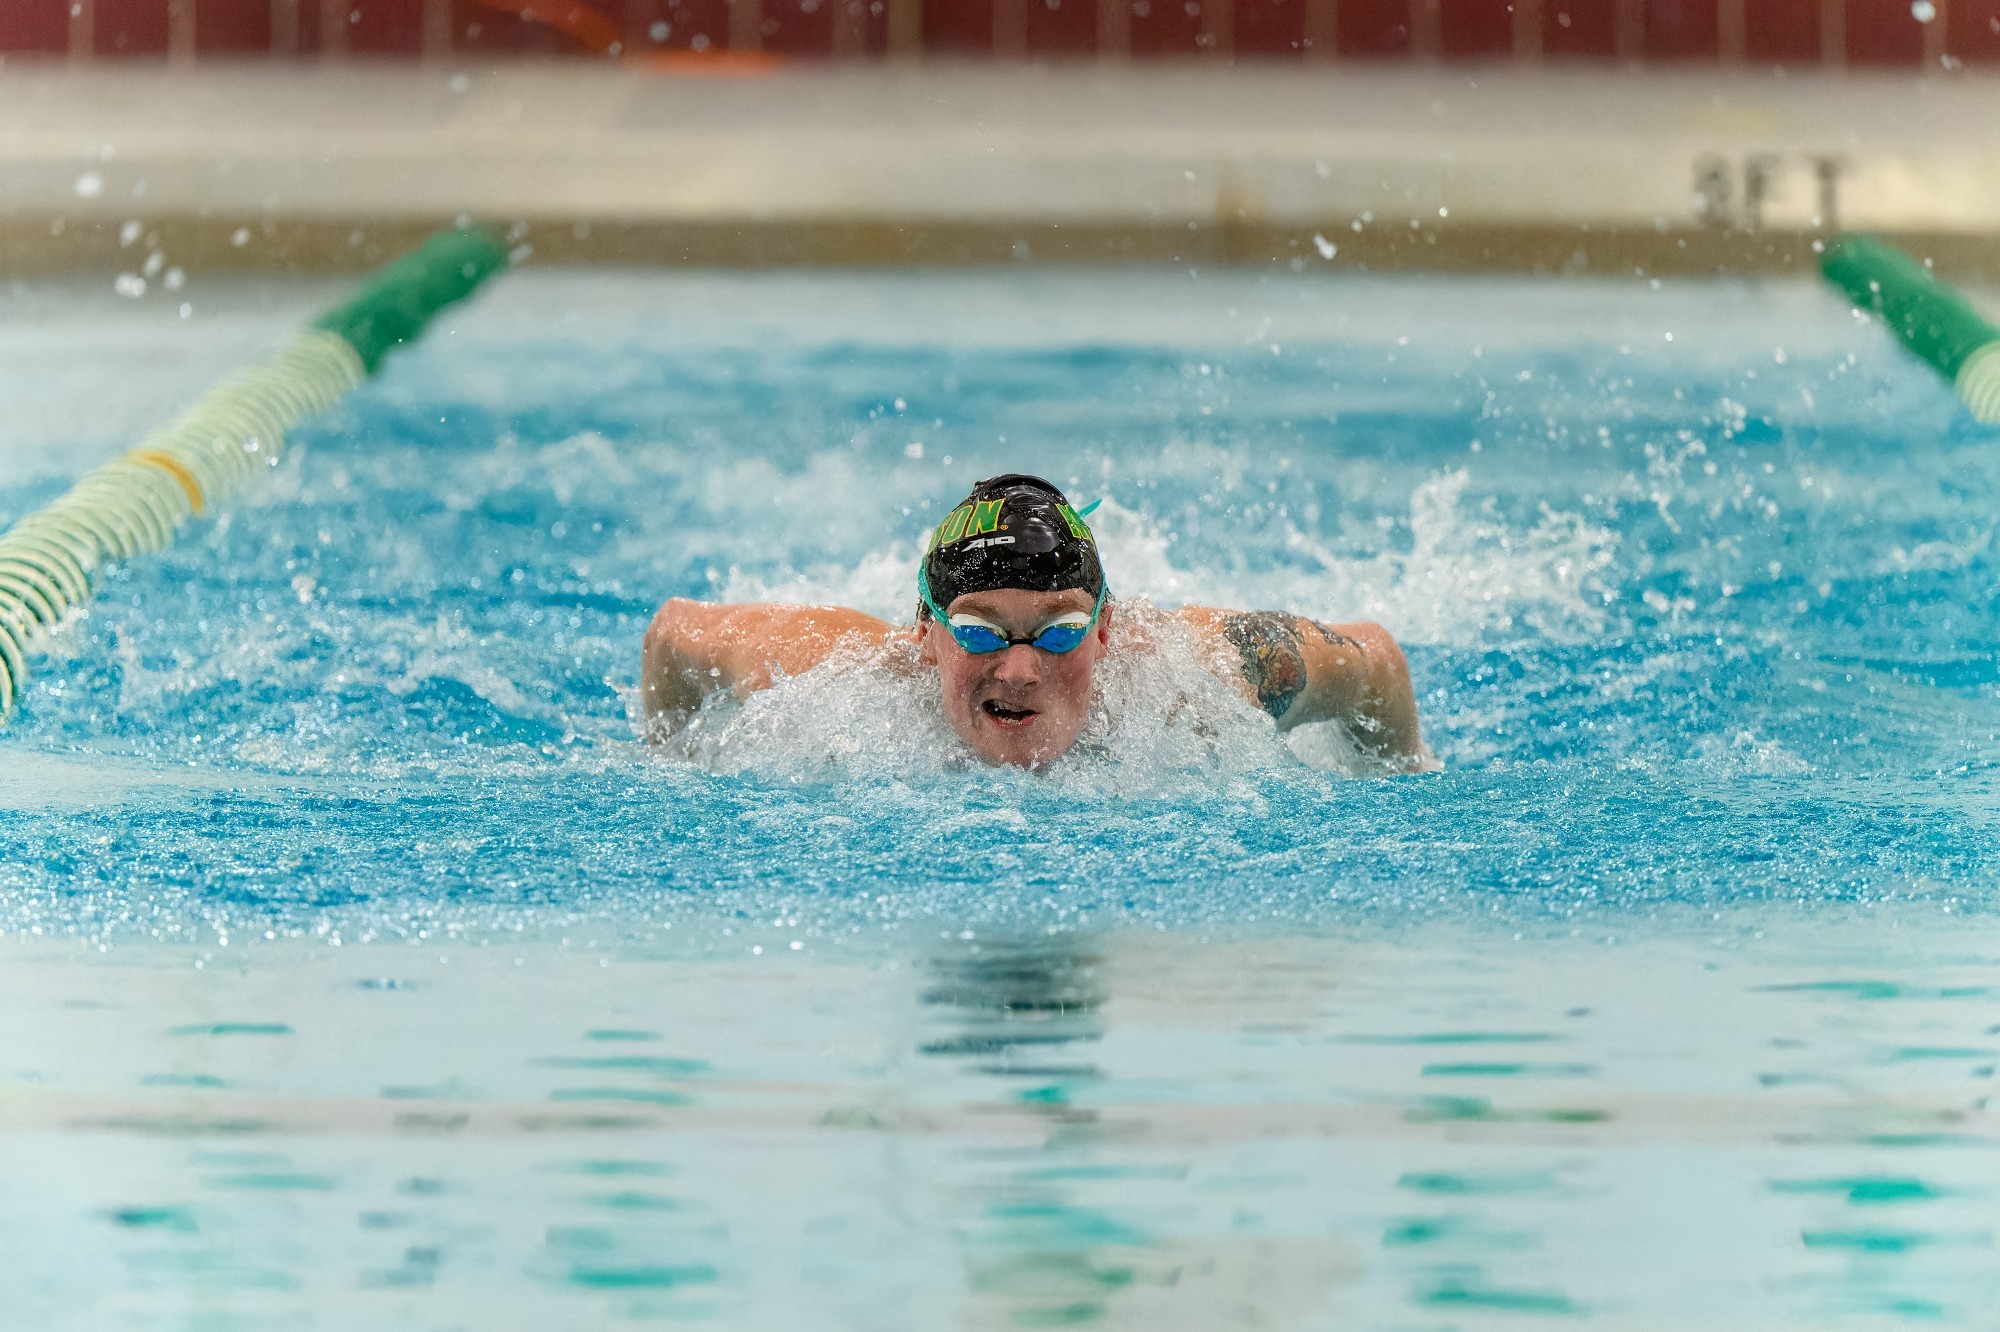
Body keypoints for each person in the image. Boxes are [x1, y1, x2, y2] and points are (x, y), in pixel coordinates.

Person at [642, 474, 1423, 770]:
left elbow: (1377, 662)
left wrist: (1400, 783)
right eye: (980, 632)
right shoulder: (828, 675)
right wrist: (667, 762)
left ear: (1107, 631)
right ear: (926, 633)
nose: (1018, 671)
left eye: (1058, 633)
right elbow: (672, 631)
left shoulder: (1205, 677)